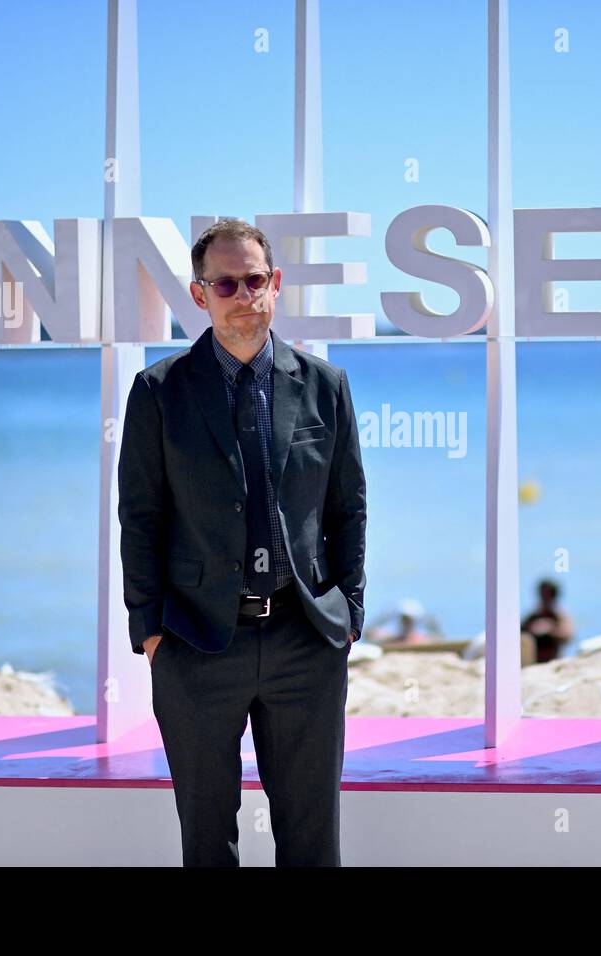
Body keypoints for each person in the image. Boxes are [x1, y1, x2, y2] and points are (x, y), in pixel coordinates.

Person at [117, 218, 366, 866]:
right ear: (201, 295)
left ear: (275, 284)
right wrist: (148, 628)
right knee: (207, 843)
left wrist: (349, 614)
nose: (243, 293)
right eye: (226, 283)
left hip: (304, 638)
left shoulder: (325, 387)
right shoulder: (158, 391)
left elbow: (350, 507)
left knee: (312, 842)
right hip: (196, 642)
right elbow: (139, 516)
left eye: (255, 280)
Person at [521, 578, 574, 664]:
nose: (544, 598)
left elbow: (567, 636)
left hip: (552, 663)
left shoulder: (559, 616)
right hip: (532, 663)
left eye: (547, 594)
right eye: (542, 594)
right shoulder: (532, 617)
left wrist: (549, 629)